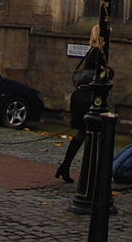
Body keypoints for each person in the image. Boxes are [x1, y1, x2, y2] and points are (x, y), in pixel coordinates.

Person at [54, 25, 109, 183]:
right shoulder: (98, 53)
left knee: (82, 133)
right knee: (97, 133)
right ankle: (94, 175)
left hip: (79, 96)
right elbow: (102, 74)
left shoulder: (90, 52)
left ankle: (65, 166)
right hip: (88, 97)